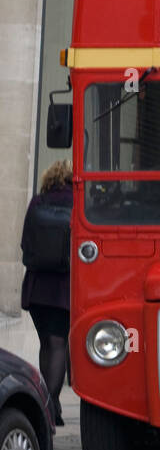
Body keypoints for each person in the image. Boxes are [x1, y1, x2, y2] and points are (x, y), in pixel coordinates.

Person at [20, 160, 73, 426]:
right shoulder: (78, 203)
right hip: (63, 289)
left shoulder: (37, 202)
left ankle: (52, 404)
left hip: (37, 287)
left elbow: (24, 242)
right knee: (59, 344)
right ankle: (50, 407)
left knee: (46, 345)